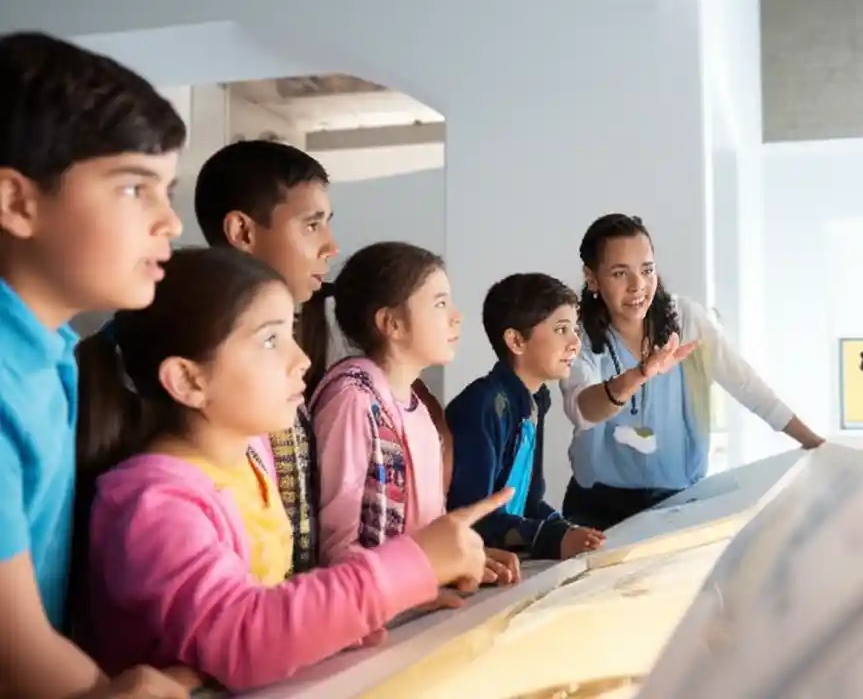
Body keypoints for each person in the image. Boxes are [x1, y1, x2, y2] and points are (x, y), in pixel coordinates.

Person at [74, 247, 510, 693]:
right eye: (270, 340)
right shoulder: (153, 501)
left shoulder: (251, 459)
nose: (301, 359)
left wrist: (354, 616)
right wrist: (414, 565)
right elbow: (245, 637)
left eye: (291, 333)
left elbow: (277, 605)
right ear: (188, 380)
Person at [0, 30, 197, 698]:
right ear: (18, 203)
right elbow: (17, 653)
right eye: (135, 188)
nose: (170, 222)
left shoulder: (51, 354)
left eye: (167, 190)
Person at [560, 214, 825, 529]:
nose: (638, 286)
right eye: (620, 273)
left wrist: (813, 442)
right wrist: (640, 374)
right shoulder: (577, 335)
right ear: (592, 278)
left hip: (679, 503)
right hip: (597, 509)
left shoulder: (685, 318)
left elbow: (745, 384)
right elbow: (583, 411)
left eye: (647, 270)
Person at [309, 242, 521, 586]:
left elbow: (426, 534)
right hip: (368, 601)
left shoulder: (419, 410)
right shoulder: (352, 399)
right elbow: (339, 548)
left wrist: (462, 557)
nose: (456, 316)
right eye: (440, 303)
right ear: (392, 323)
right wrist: (417, 582)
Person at [194, 139, 340, 575]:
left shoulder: (297, 340)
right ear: (243, 232)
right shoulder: (211, 359)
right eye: (311, 225)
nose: (331, 247)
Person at [447, 273, 608, 560]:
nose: (575, 342)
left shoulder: (536, 400)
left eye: (575, 329)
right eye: (561, 329)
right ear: (517, 341)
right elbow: (472, 518)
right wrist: (552, 538)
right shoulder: (483, 406)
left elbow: (530, 501)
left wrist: (567, 529)